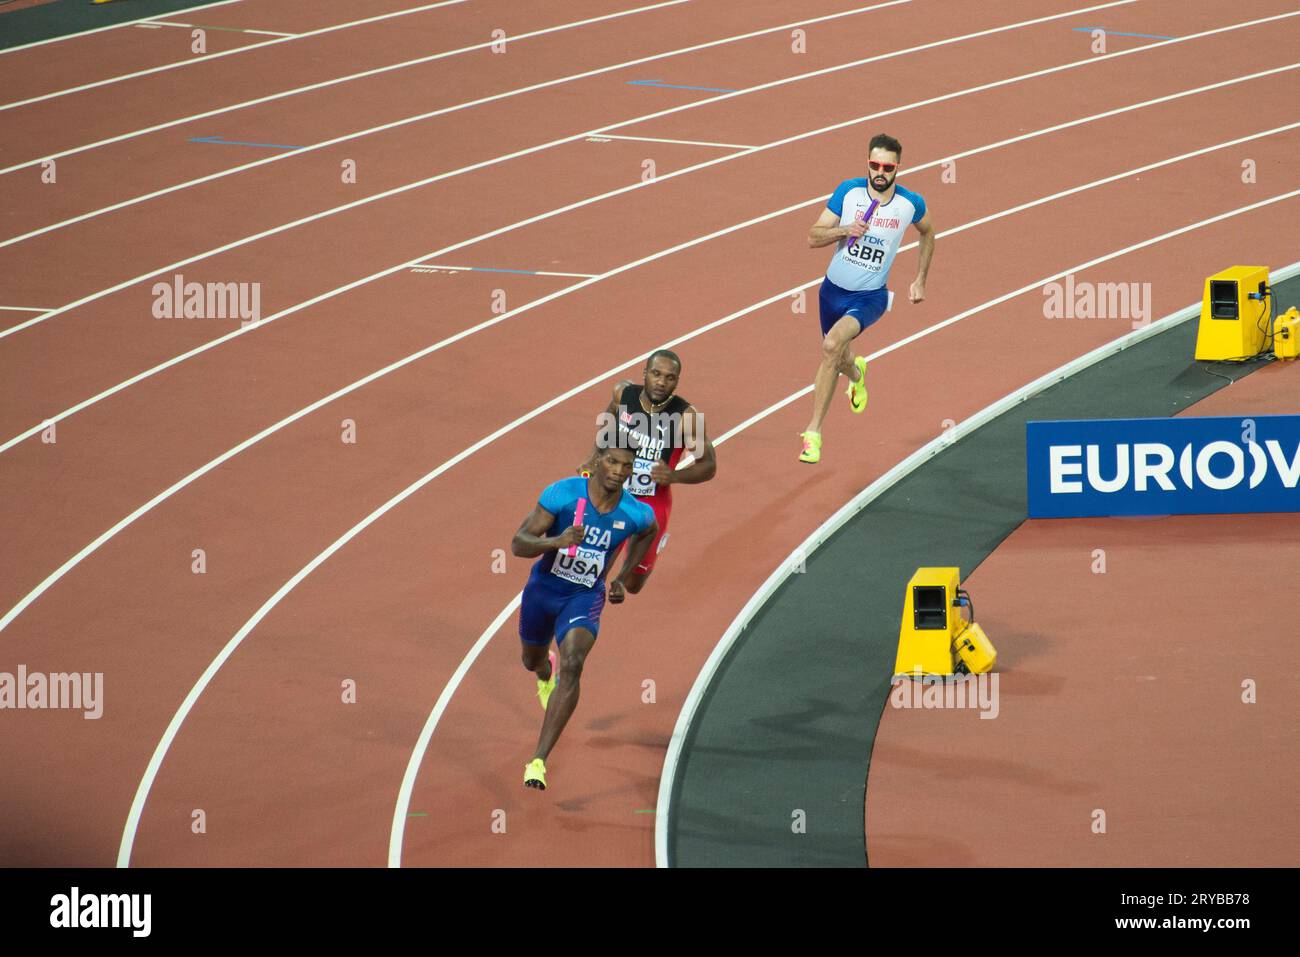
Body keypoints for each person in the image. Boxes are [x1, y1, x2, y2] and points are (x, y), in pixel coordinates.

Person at [511, 443, 658, 790]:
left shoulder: (635, 512)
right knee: (530, 660)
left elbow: (648, 532)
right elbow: (519, 543)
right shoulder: (563, 494)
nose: (618, 471)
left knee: (574, 662)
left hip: (584, 596)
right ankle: (544, 671)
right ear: (596, 462)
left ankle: (538, 761)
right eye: (611, 461)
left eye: (626, 465)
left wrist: (621, 577)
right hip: (543, 590)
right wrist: (556, 541)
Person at [801, 133, 935, 464]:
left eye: (887, 167)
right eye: (874, 165)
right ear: (868, 163)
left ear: (897, 168)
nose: (880, 172)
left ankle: (813, 434)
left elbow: (928, 233)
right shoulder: (848, 192)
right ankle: (858, 374)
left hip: (870, 297)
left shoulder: (910, 203)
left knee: (831, 347)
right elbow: (812, 237)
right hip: (830, 292)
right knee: (839, 357)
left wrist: (920, 279)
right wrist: (844, 230)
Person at [579, 349, 716, 595]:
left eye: (669, 377)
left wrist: (674, 476)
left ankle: (650, 550)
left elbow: (709, 465)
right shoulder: (623, 394)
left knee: (633, 585)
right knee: (592, 570)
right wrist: (593, 457)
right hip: (615, 495)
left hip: (652, 503)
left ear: (677, 381)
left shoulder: (686, 417)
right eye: (656, 374)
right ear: (644, 373)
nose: (662, 382)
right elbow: (609, 417)